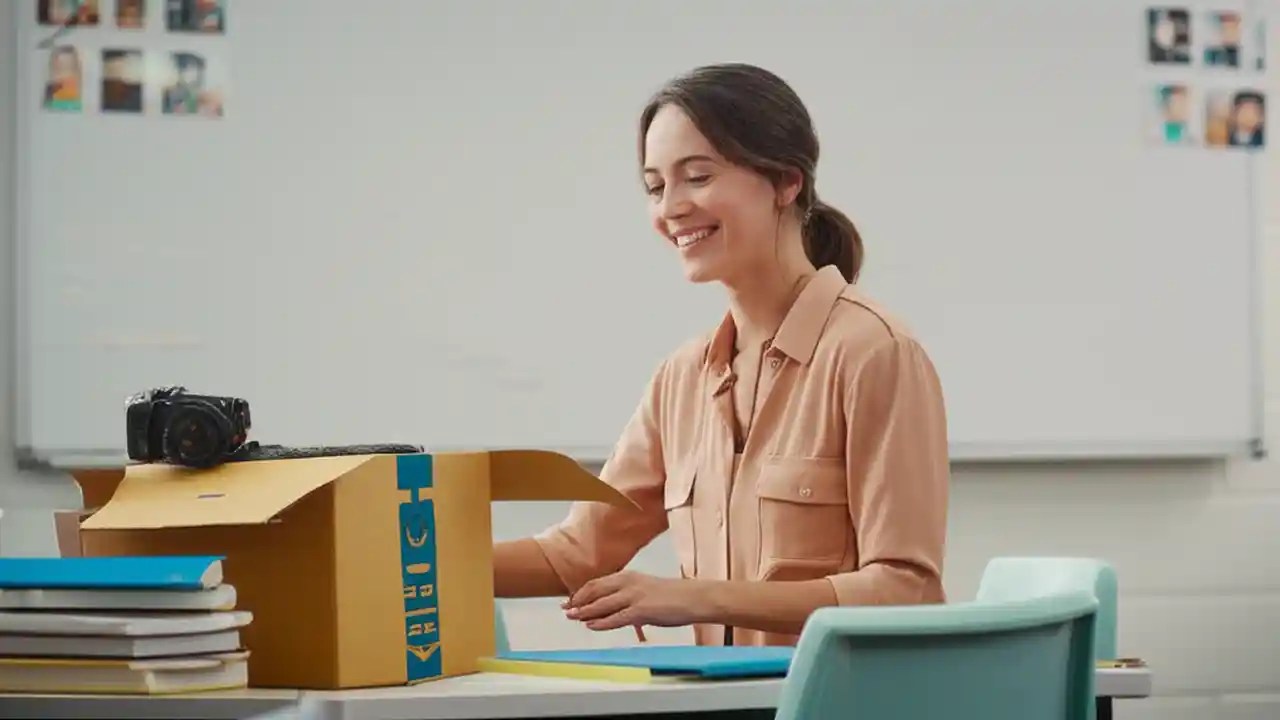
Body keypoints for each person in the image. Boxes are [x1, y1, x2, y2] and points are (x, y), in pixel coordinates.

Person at [494, 63, 950, 647]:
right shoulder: (680, 379)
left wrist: (695, 597)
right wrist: (399, 564)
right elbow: (577, 554)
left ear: (786, 181)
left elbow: (904, 590)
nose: (672, 208)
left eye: (698, 177)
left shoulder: (874, 353)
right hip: (722, 703)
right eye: (656, 188)